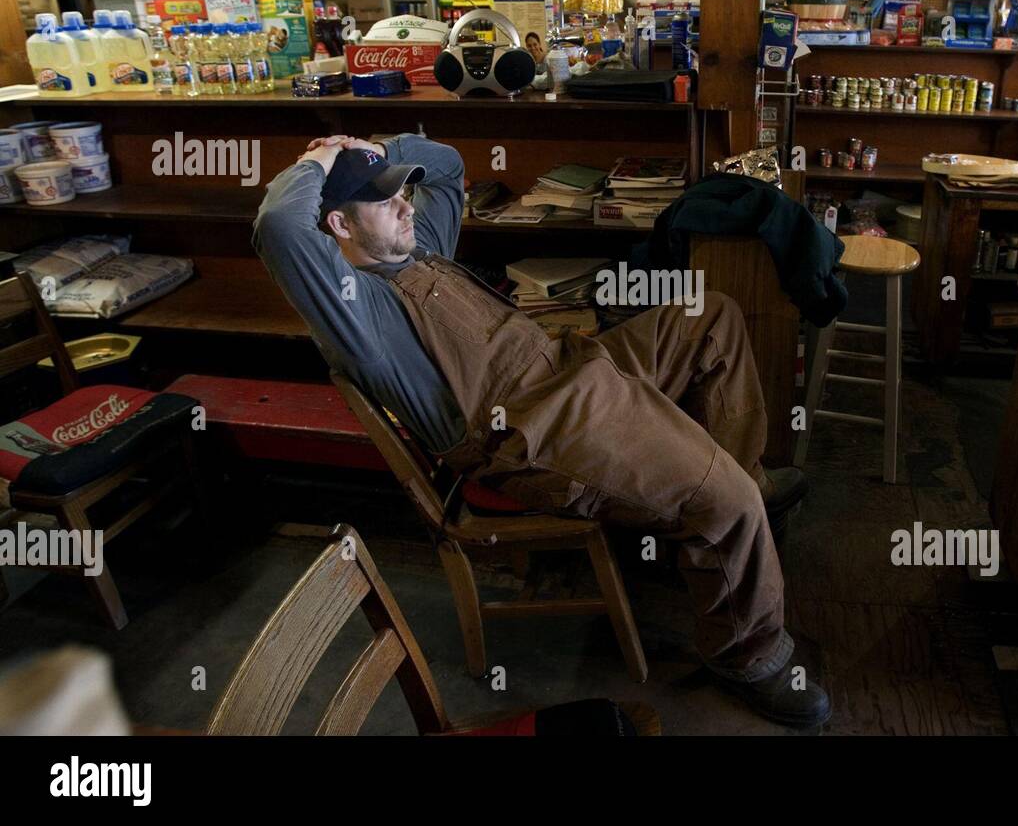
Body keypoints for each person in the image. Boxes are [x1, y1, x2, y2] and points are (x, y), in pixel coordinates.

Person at [253, 135, 831, 728]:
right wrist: (316, 160)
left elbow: (448, 166)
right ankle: (747, 653)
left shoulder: (413, 248)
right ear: (338, 225)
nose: (406, 206)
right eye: (385, 201)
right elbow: (278, 224)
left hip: (568, 365)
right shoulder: (357, 310)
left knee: (712, 316)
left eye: (403, 192)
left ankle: (737, 511)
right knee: (725, 500)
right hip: (533, 430)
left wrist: (372, 148)